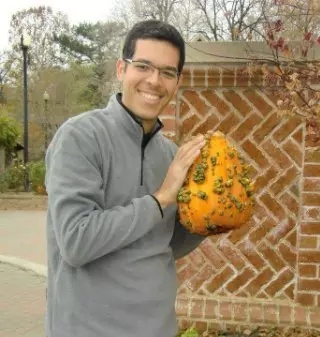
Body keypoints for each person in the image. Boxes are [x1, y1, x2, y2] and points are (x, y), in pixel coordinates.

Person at [45, 20, 206, 337]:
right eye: (144, 66)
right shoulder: (80, 137)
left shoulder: (170, 155)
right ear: (122, 68)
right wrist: (160, 199)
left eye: (167, 72)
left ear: (177, 82)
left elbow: (164, 244)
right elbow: (76, 242)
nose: (154, 80)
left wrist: (209, 220)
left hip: (157, 327)